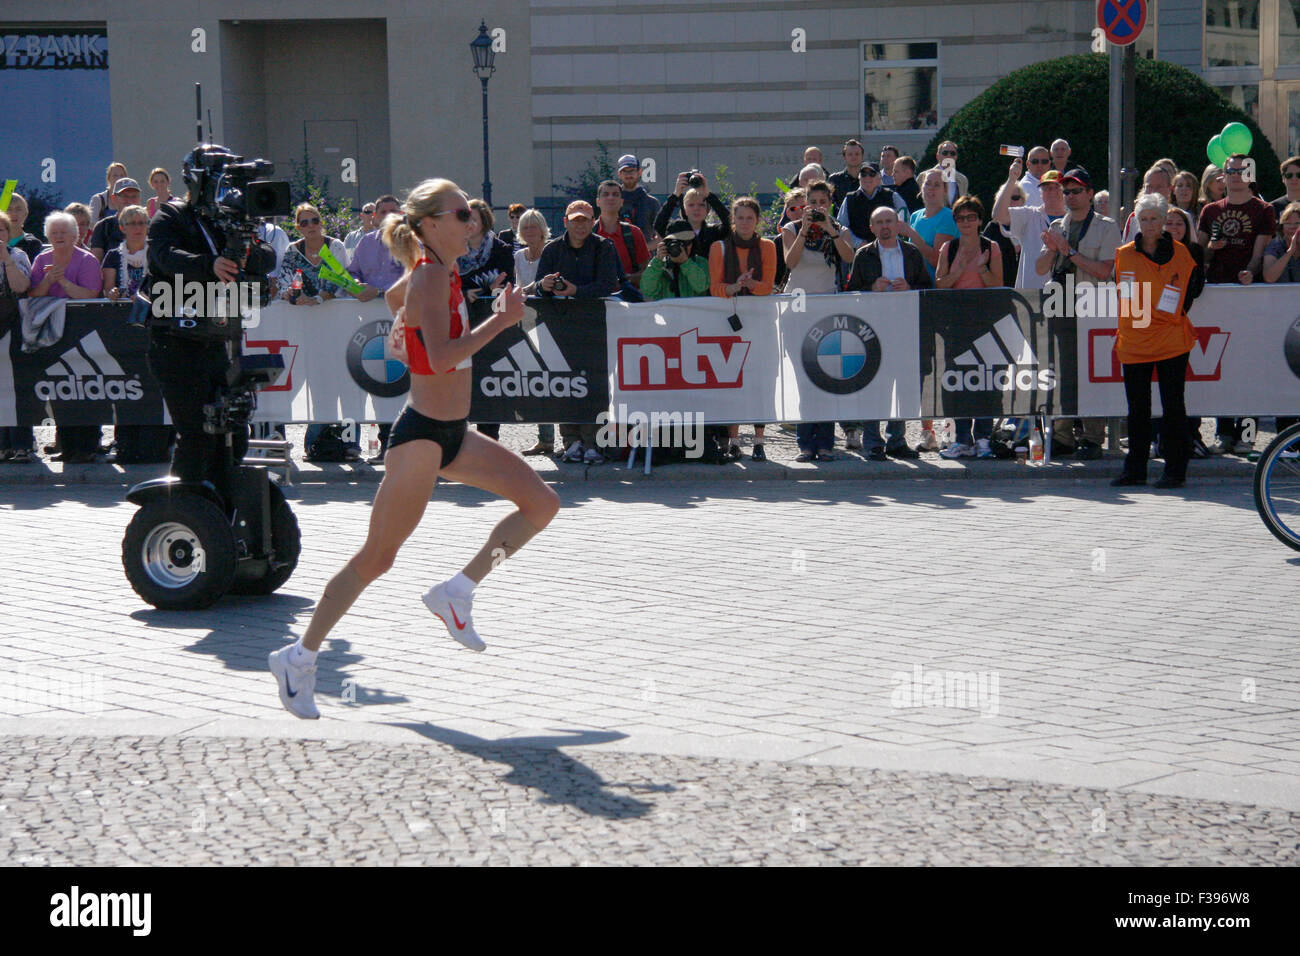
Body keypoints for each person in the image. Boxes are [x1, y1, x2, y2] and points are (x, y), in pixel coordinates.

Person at [268, 178, 559, 719]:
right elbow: (446, 356)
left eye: (470, 214)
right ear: (429, 225)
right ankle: (299, 656)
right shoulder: (429, 275)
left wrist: (404, 325)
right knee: (377, 558)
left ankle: (459, 590)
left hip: (453, 434)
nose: (470, 221)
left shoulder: (434, 275)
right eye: (458, 214)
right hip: (422, 436)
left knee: (542, 504)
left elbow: (400, 300)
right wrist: (502, 319)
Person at [144, 144, 277, 502]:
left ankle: (225, 503)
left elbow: (266, 257)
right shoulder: (171, 215)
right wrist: (210, 264)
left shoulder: (228, 222)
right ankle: (184, 509)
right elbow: (162, 255)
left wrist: (246, 244)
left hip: (219, 340)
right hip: (175, 341)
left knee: (233, 428)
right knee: (198, 431)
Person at [1110, 192, 1204, 490]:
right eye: (1144, 219)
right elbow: (1125, 296)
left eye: (1154, 219)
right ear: (1137, 221)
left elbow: (1189, 293)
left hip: (1172, 339)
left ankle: (1176, 470)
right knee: (1137, 409)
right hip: (1135, 339)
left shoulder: (1181, 253)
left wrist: (1167, 317)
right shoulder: (1124, 253)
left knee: (1173, 406)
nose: (1149, 224)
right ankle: (1135, 469)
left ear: (1164, 221)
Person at [1035, 168, 1121, 460]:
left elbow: (1104, 270)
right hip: (1061, 304)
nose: (1070, 196)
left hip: (1094, 306)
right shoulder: (1058, 225)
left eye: (1075, 191)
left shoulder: (1107, 227)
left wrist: (1068, 251)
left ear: (1089, 194)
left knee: (1092, 371)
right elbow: (1039, 268)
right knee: (1063, 371)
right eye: (1066, 192)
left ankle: (1093, 437)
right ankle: (1062, 435)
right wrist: (1051, 250)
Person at [1197, 152, 1277, 454]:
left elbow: (1259, 252)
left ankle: (1247, 435)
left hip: (1249, 296)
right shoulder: (1210, 211)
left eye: (1240, 170)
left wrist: (1250, 272)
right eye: (1228, 171)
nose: (1233, 175)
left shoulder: (1263, 210)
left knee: (1250, 365)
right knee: (1220, 362)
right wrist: (1210, 250)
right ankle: (1224, 433)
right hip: (1218, 293)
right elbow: (1198, 252)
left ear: (1249, 175)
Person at [532, 200, 619, 464]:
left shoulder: (604, 247)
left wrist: (576, 291)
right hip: (561, 327)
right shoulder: (552, 249)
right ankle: (571, 441)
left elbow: (609, 284)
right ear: (566, 222)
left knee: (593, 384)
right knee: (564, 384)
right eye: (575, 220)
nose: (580, 225)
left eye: (585, 219)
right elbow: (537, 289)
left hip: (595, 328)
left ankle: (593, 442)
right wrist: (543, 285)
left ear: (593, 221)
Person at [845, 206, 932, 460]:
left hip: (904, 327)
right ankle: (873, 442)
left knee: (902, 386)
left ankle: (897, 440)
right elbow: (851, 292)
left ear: (897, 225)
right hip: (873, 329)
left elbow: (926, 287)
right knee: (874, 385)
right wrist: (871, 288)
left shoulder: (912, 253)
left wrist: (910, 287)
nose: (885, 226)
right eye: (879, 222)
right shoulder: (863, 254)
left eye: (889, 221)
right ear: (872, 228)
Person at [31, 212, 106, 463]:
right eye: (55, 232)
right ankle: (65, 444)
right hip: (52, 334)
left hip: (82, 331)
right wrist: (47, 282)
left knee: (85, 387)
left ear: (76, 235)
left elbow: (91, 293)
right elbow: (33, 295)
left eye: (64, 232)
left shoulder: (87, 260)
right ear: (48, 236)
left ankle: (87, 446)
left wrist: (62, 281)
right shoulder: (41, 259)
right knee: (59, 388)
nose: (59, 236)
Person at [935, 196, 1003, 460]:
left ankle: (984, 438)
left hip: (986, 321)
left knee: (987, 379)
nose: (966, 222)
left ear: (979, 220)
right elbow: (940, 284)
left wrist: (982, 268)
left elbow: (998, 284)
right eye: (961, 218)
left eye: (971, 217)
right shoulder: (948, 249)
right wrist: (960, 269)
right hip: (956, 323)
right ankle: (962, 438)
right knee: (958, 380)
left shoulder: (992, 246)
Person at [710, 197, 777, 461]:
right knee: (733, 380)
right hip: (730, 324)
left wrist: (749, 284)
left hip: (761, 323)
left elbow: (767, 287)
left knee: (761, 382)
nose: (745, 223)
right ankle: (734, 440)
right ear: (733, 220)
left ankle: (759, 441)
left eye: (750, 218)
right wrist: (735, 287)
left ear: (757, 220)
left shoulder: (768, 247)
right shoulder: (719, 248)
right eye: (741, 218)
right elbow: (715, 288)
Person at [512, 209, 557, 457]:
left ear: (542, 229)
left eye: (533, 226)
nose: (529, 231)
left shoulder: (552, 250)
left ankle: (569, 437)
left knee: (559, 379)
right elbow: (519, 288)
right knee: (537, 381)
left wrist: (528, 290)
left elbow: (542, 285)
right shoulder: (519, 256)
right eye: (525, 227)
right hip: (527, 321)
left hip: (553, 320)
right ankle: (545, 439)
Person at [992, 160, 1066, 289]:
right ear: (1041, 193)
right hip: (1032, 294)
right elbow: (998, 215)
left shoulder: (1073, 219)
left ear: (1064, 192)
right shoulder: (1029, 216)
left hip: (1069, 293)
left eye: (1057, 188)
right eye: (1047, 188)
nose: (1052, 192)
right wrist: (1011, 180)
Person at [0, 211, 34, 463]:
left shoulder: (18, 255)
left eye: (1, 231)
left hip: (15, 325)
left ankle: (21, 444)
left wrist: (6, 260)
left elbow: (22, 287)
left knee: (17, 386)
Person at [654, 171, 731, 260]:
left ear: (707, 209)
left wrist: (708, 195)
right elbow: (659, 225)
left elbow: (731, 223)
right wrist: (676, 194)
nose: (696, 209)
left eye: (701, 205)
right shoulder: (675, 230)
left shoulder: (714, 232)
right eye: (691, 205)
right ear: (684, 209)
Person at [898, 169, 958, 281]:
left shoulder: (948, 217)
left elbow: (937, 261)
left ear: (944, 190)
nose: (931, 188)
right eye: (928, 183)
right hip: (915, 285)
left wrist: (911, 233)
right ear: (922, 187)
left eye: (937, 185)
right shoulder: (915, 216)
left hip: (936, 288)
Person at [837, 162, 908, 248]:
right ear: (859, 178)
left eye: (872, 174)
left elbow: (905, 221)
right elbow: (841, 226)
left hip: (890, 249)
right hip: (859, 252)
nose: (867, 178)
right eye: (863, 174)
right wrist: (859, 243)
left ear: (879, 177)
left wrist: (890, 241)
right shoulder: (849, 199)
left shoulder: (892, 196)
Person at [594, 179, 649, 289]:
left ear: (621, 201)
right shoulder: (588, 233)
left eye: (615, 194)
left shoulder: (634, 233)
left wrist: (625, 279)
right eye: (605, 194)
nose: (610, 198)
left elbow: (646, 272)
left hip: (629, 299)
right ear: (598, 202)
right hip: (595, 299)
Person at [642, 218, 710, 299]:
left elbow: (701, 287)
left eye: (686, 243)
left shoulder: (701, 262)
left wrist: (686, 263)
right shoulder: (659, 266)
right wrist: (657, 261)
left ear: (693, 243)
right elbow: (647, 290)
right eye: (677, 243)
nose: (681, 248)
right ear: (666, 244)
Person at [101, 204, 151, 299]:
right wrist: (112, 293)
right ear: (122, 228)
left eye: (141, 223)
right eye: (132, 223)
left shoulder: (155, 253)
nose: (138, 228)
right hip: (121, 310)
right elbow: (108, 289)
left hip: (150, 310)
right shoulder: (113, 255)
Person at [90, 177, 143, 263]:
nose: (130, 200)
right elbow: (96, 264)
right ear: (114, 198)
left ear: (139, 199)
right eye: (125, 196)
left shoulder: (149, 226)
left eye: (134, 196)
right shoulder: (103, 227)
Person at [983, 183, 1024, 283]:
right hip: (1000, 290)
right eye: (1005, 198)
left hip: (1027, 288)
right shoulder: (992, 228)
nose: (1010, 201)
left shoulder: (1031, 225)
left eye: (1015, 198)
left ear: (1023, 201)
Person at [616, 154, 661, 244]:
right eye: (625, 171)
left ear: (639, 172)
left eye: (632, 171)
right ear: (619, 174)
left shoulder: (652, 203)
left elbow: (661, 235)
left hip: (647, 256)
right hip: (618, 256)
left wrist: (643, 251)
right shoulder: (613, 202)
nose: (629, 175)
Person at [1263, 200, 1300, 284]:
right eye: (1288, 224)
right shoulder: (1274, 246)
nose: (1292, 227)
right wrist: (1290, 252)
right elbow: (1269, 278)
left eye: (1297, 224)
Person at [4, 195, 43, 263]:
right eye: (8, 209)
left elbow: (31, 272)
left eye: (18, 209)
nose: (13, 213)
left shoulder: (32, 244)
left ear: (25, 214)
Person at [928, 140, 969, 206]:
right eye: (945, 153)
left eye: (952, 153)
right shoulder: (925, 176)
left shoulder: (962, 180)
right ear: (938, 156)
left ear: (956, 157)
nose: (949, 156)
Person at [829, 139, 868, 207]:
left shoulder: (870, 179)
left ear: (862, 156)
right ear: (844, 157)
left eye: (857, 154)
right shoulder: (834, 180)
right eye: (850, 154)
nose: (854, 157)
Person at [1272, 156, 1300, 221]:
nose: (1294, 178)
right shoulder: (1272, 207)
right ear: (1283, 178)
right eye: (1289, 175)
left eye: (1299, 175)